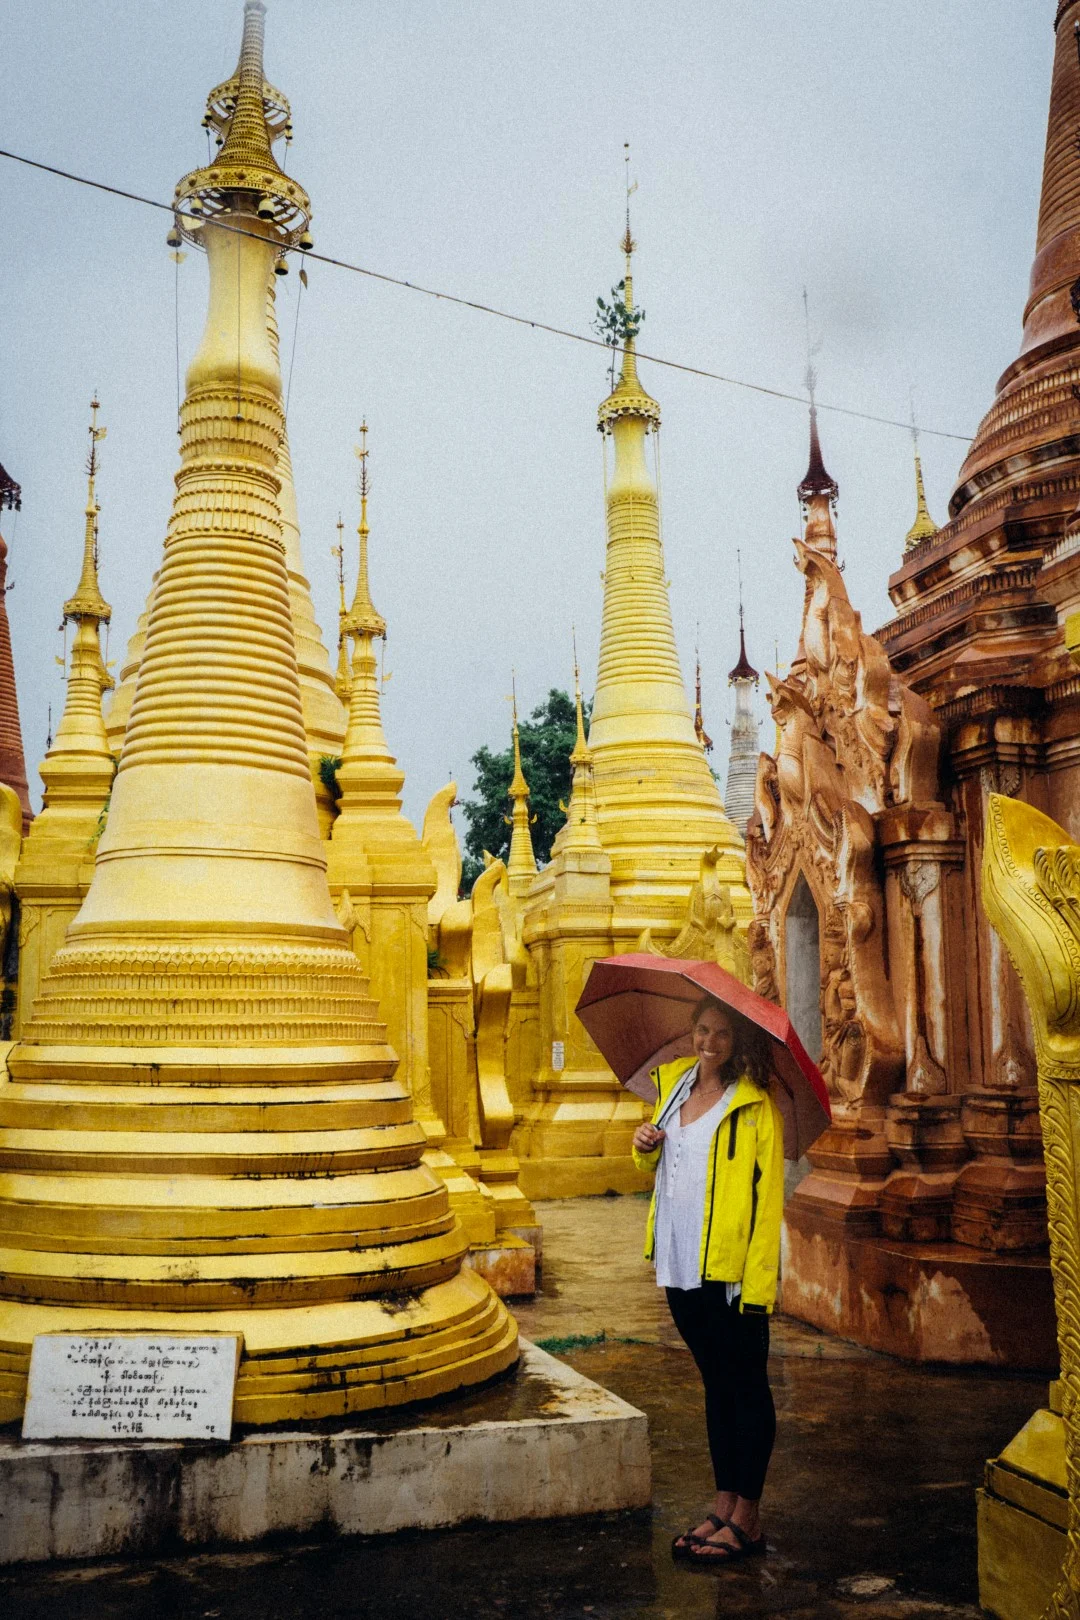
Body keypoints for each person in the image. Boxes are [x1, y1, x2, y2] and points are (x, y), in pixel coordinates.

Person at [632, 994, 785, 1567]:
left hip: (729, 1275)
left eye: (722, 1034)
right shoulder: (670, 1086)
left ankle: (748, 1515)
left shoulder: (754, 1106)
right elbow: (654, 1163)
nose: (709, 1042)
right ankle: (723, 1504)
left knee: (747, 1386)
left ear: (737, 1042)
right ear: (691, 1031)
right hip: (678, 1261)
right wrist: (643, 1145)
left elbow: (767, 1204)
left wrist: (758, 1286)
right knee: (716, 1385)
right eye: (702, 1030)